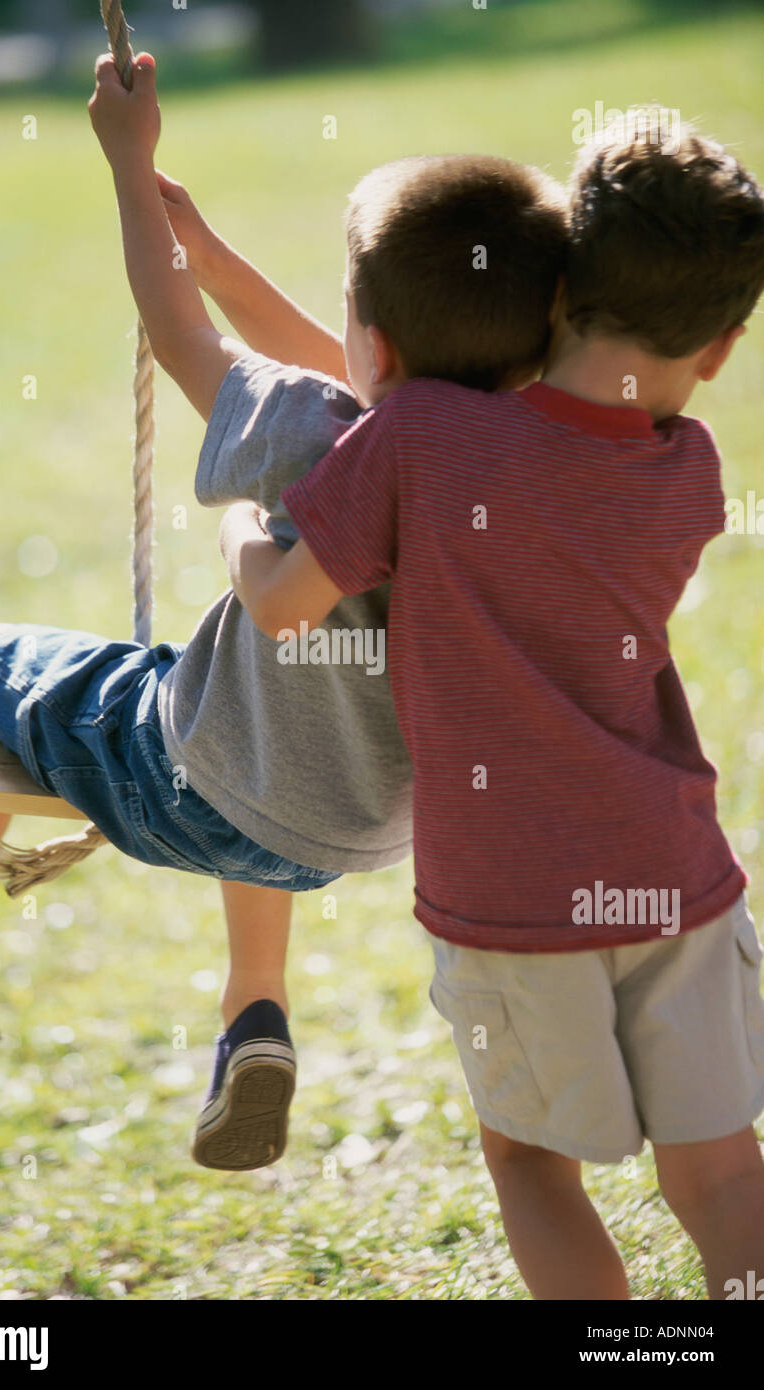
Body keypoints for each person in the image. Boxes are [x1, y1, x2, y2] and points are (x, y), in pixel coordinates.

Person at [0, 52, 568, 1173]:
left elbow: (182, 339)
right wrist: (212, 254)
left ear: (377, 341)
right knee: (254, 721)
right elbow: (372, 378)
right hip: (357, 831)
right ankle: (254, 1006)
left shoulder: (312, 435)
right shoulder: (521, 455)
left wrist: (129, 166)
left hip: (189, 786)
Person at [223, 116, 764, 1297]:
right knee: (724, 1179)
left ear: (556, 282)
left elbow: (279, 602)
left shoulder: (424, 437)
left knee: (529, 1162)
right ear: (722, 347)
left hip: (506, 895)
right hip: (674, 868)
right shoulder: (691, 471)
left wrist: (236, 533)